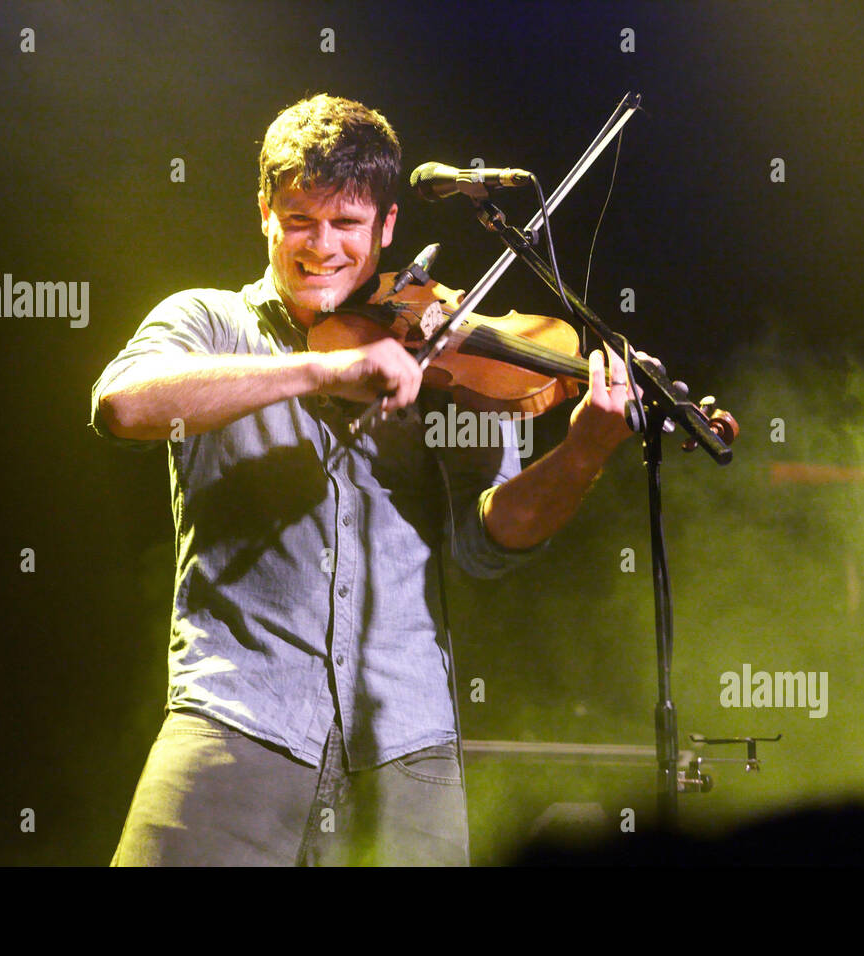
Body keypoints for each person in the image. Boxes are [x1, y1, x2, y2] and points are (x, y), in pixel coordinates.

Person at [90, 93, 638, 865]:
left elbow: (490, 540)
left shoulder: (445, 349)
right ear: (263, 212)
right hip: (238, 721)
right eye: (299, 220)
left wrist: (583, 452)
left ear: (386, 228)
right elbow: (122, 404)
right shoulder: (209, 323)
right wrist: (321, 368)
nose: (321, 248)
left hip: (407, 745)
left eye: (347, 225)